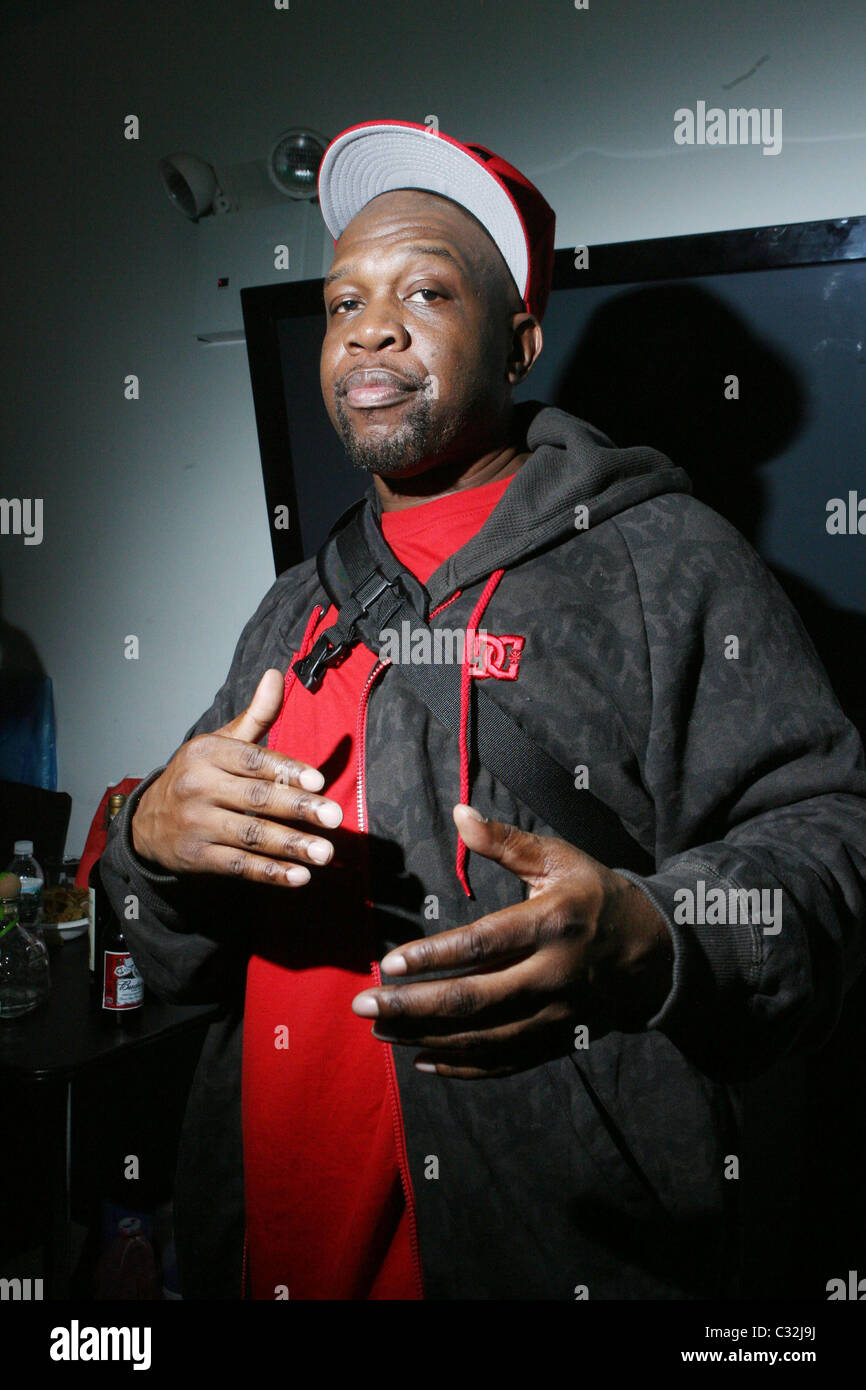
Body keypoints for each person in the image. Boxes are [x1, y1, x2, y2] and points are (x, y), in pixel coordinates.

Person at [100, 119, 866, 1301]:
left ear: (518, 341)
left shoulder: (669, 564)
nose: (372, 324)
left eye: (426, 289)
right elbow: (165, 957)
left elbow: (829, 851)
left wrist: (649, 937)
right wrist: (151, 838)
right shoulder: (292, 609)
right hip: (273, 1253)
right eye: (343, 297)